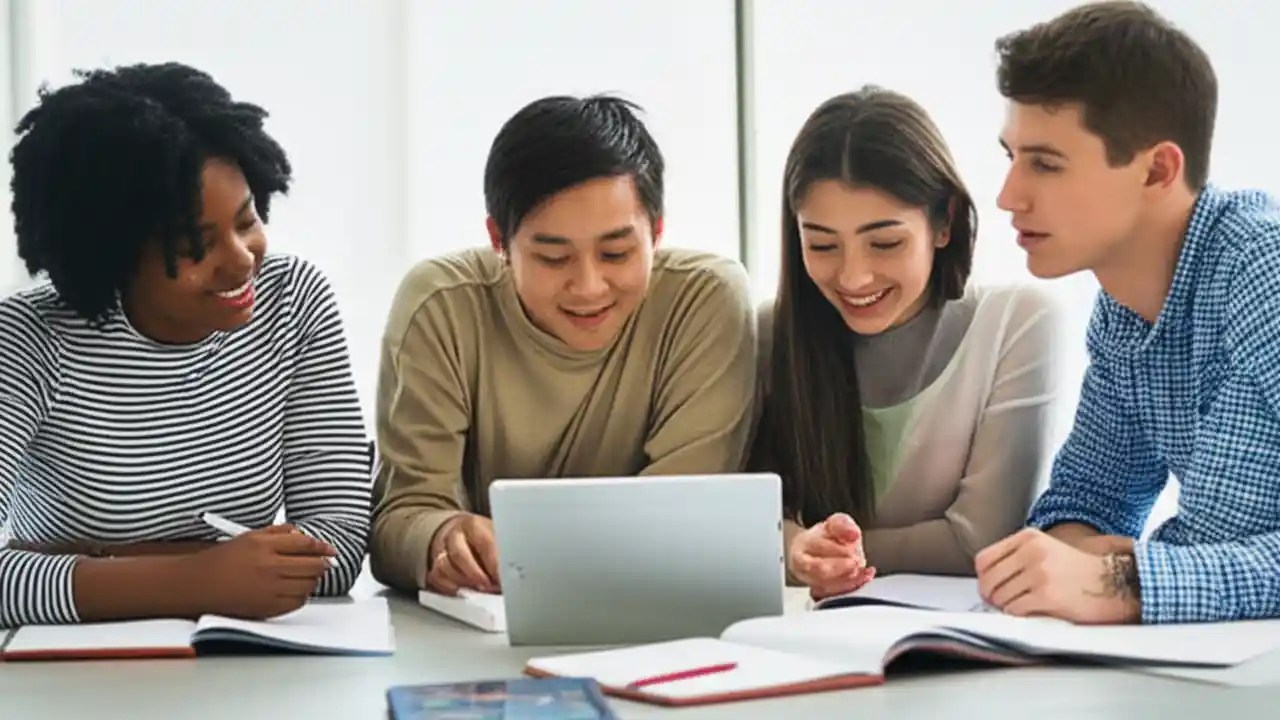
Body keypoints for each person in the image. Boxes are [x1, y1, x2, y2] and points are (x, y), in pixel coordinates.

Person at [0, 62, 371, 629]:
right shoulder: (26, 340)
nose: (243, 258)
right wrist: (197, 580)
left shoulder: (294, 301)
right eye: (197, 247)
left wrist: (85, 565)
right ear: (114, 256)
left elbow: (339, 545)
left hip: (244, 667)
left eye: (246, 221)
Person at [370, 95, 756, 596]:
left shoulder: (706, 301)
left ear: (656, 232)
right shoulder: (441, 306)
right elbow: (399, 516)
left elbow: (680, 515)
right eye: (553, 257)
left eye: (616, 252)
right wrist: (441, 538)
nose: (590, 286)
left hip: (649, 612)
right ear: (498, 240)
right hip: (481, 629)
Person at [975, 1, 1280, 625]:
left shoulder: (1265, 271)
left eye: (1046, 163)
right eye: (1012, 157)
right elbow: (1084, 503)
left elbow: (1110, 572)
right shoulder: (1122, 313)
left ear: (1158, 170)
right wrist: (1082, 563)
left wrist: (1122, 580)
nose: (1008, 196)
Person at [750, 86, 1061, 600]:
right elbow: (736, 519)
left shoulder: (1016, 323)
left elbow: (979, 542)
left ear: (944, 223)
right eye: (822, 244)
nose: (853, 276)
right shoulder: (770, 336)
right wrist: (794, 548)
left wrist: (802, 550)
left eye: (885, 242)